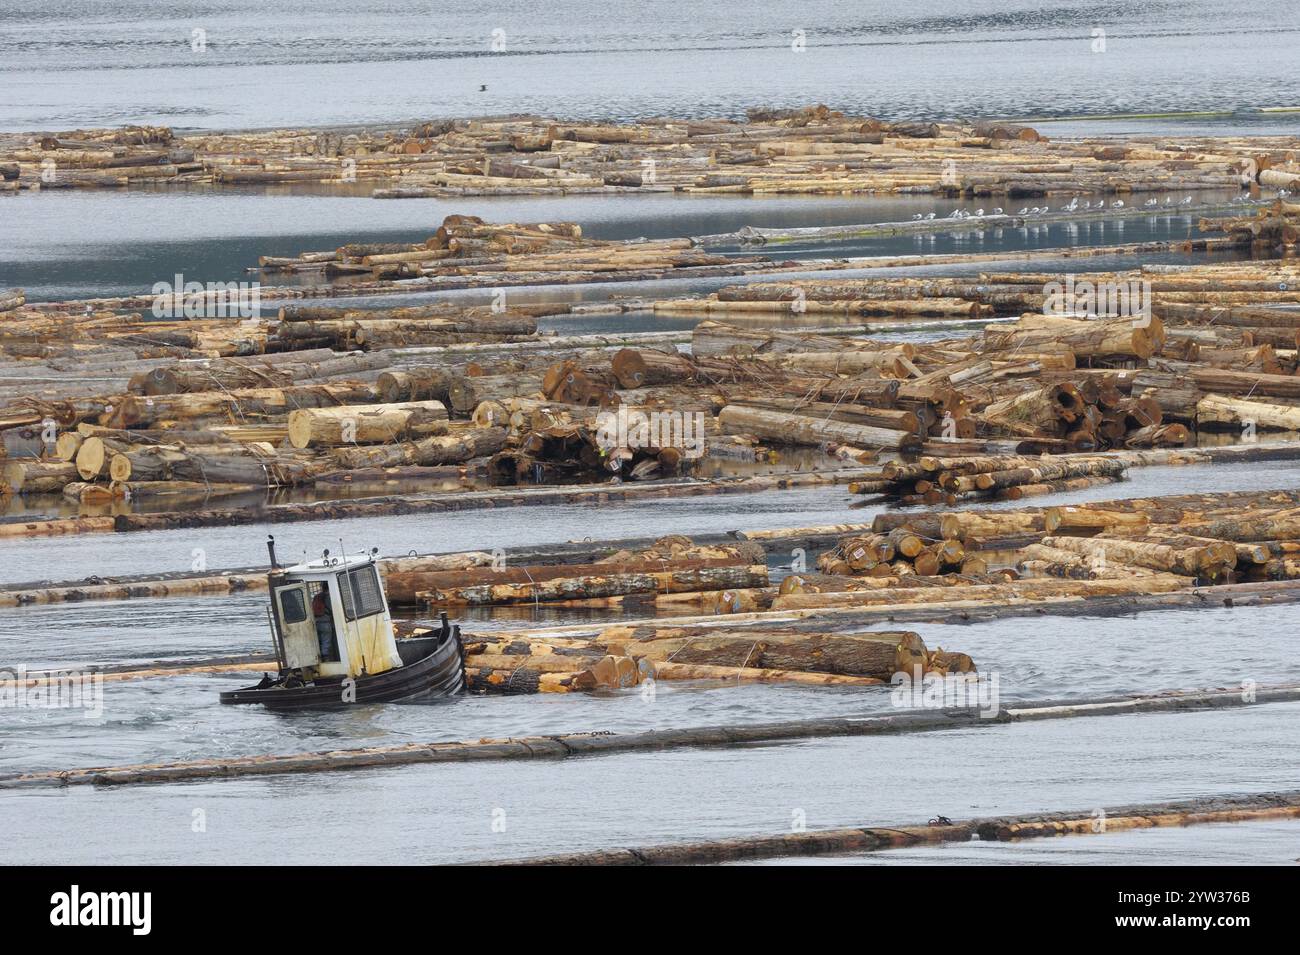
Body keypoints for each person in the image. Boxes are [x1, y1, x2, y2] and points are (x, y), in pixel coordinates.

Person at [312, 588, 336, 660]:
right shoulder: (328, 597)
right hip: (325, 623)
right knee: (326, 641)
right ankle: (325, 659)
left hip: (316, 623)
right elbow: (333, 609)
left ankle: (317, 657)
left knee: (318, 641)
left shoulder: (317, 597)